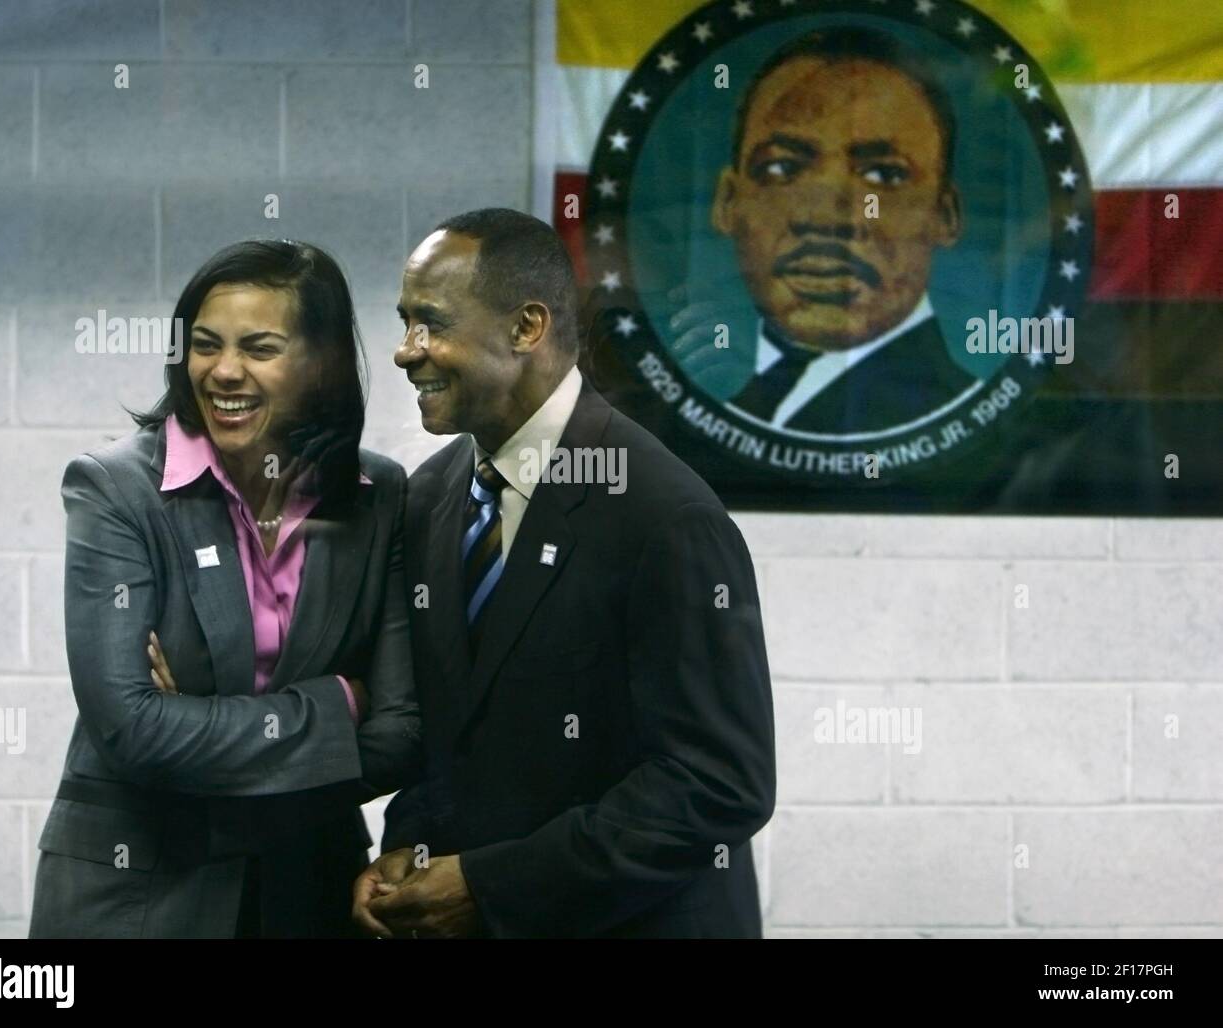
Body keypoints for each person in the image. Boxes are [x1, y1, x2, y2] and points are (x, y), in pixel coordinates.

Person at [353, 208, 775, 938]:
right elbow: (452, 738)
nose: (405, 351)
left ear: (526, 329)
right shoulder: (428, 499)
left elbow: (718, 784)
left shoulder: (663, 514)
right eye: (405, 322)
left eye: (433, 324)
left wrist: (489, 885)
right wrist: (406, 852)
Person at [29, 239, 420, 938]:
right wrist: (337, 703)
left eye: (260, 348)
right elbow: (133, 731)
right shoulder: (117, 491)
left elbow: (398, 733)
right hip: (139, 898)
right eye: (205, 345)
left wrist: (200, 728)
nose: (224, 372)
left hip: (308, 895)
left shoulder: (378, 494)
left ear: (322, 364)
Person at [703, 27, 977, 433]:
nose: (826, 218)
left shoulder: (990, 428)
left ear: (945, 215)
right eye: (782, 169)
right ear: (728, 201)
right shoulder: (701, 413)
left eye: (883, 174)